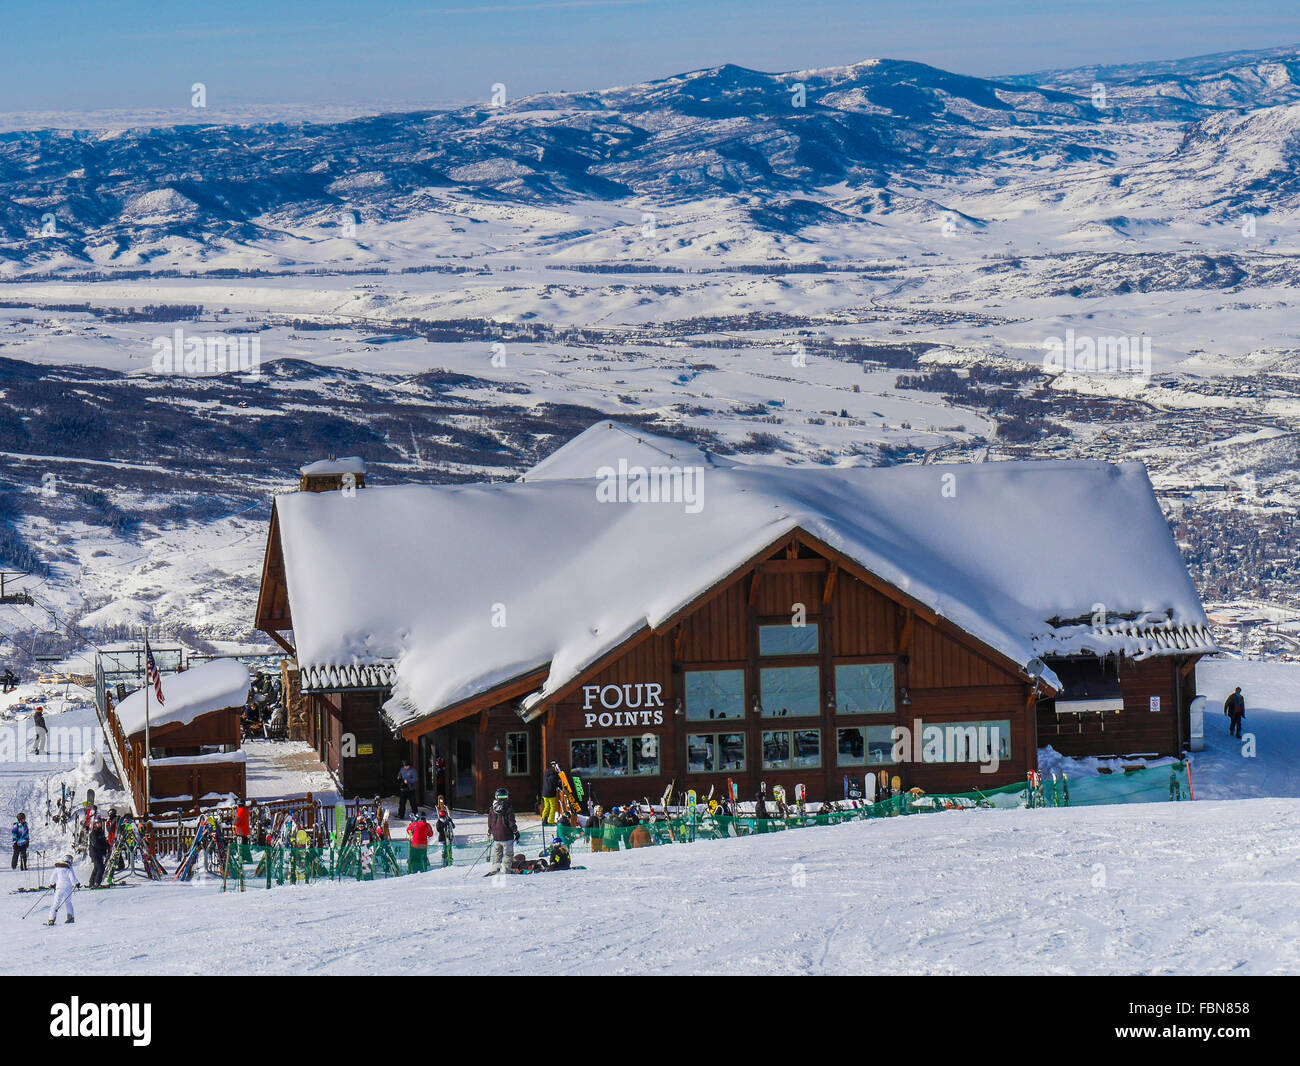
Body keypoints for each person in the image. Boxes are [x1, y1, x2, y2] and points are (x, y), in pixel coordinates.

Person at [486, 787, 519, 875]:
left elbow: (490, 821)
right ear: (506, 797)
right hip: (507, 835)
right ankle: (506, 870)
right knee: (508, 854)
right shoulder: (508, 808)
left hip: (496, 836)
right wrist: (516, 832)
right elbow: (511, 823)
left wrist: (490, 830)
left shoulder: (492, 808)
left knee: (497, 854)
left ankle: (494, 870)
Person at [46, 853, 80, 925]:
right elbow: (72, 878)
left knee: (56, 903)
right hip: (67, 888)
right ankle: (70, 917)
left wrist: (52, 884)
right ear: (70, 861)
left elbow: (53, 877)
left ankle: (51, 919)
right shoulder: (69, 868)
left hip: (59, 888)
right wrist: (77, 884)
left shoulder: (57, 868)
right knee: (68, 902)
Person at [88, 818, 109, 887]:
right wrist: (105, 846)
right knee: (101, 868)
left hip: (99, 853)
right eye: (98, 823)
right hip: (95, 853)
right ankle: (97, 882)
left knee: (97, 868)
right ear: (95, 824)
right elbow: (96, 844)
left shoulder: (101, 832)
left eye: (100, 823)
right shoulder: (93, 833)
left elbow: (103, 841)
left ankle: (92, 882)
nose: (99, 824)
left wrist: (107, 845)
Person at [541, 763, 561, 828]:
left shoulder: (547, 773)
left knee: (546, 806)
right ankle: (551, 821)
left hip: (544, 792)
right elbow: (556, 784)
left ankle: (544, 819)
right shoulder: (554, 776)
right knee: (553, 807)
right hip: (550, 793)